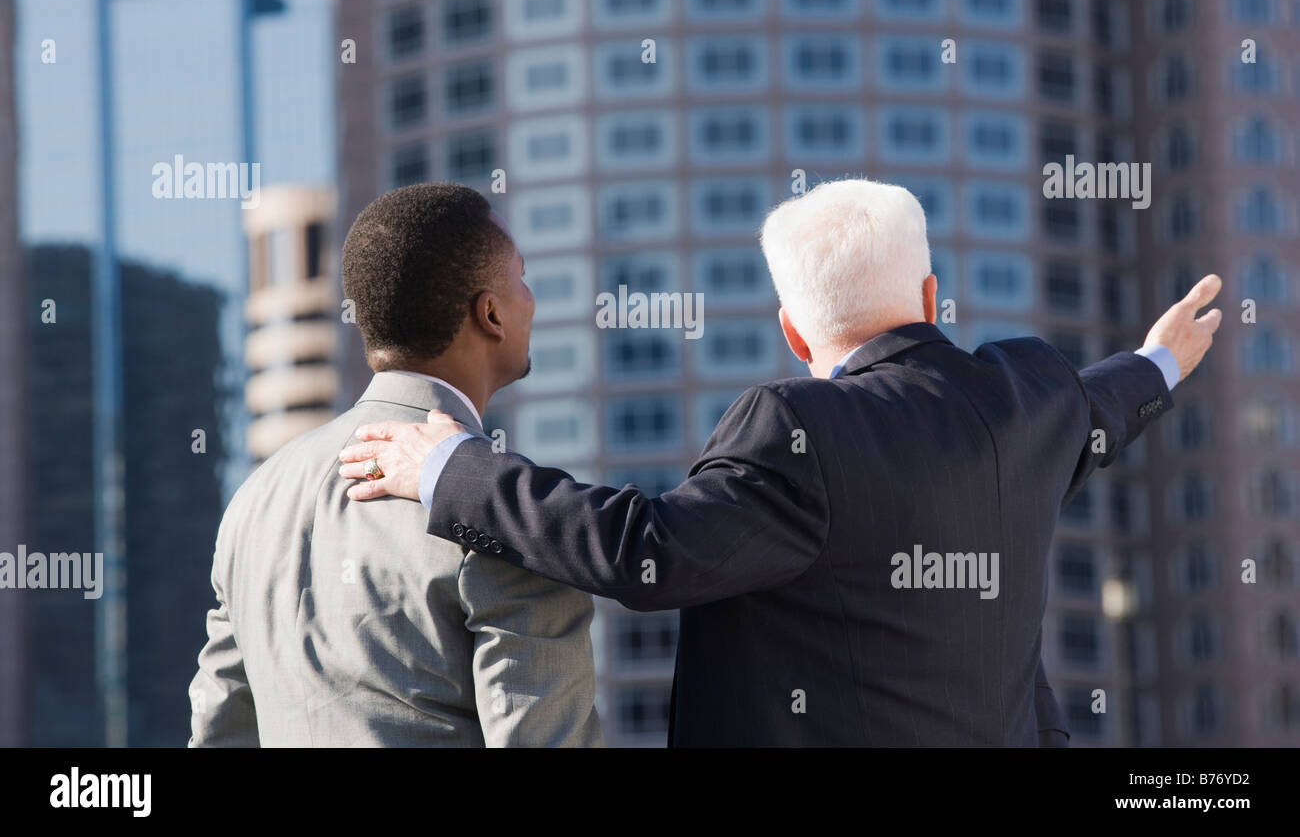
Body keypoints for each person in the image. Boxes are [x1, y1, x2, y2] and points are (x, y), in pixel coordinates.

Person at [341, 178, 1222, 747]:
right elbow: (1099, 409)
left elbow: (648, 553)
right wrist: (1162, 363)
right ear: (928, 298)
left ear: (795, 332)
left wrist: (455, 470)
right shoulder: (1030, 397)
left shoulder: (797, 428)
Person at [189, 182, 602, 747]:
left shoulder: (253, 501)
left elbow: (219, 731)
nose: (530, 297)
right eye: (521, 277)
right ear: (490, 313)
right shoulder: (506, 510)